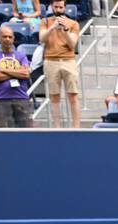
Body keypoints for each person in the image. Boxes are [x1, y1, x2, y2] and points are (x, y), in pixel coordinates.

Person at [40, 0, 80, 129]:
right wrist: (52, 27)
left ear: (65, 8)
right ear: (52, 7)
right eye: (56, 7)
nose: (58, 9)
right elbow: (42, 38)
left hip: (68, 60)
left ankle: (76, 127)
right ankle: (57, 127)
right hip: (50, 61)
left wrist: (65, 29)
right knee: (54, 96)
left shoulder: (73, 24)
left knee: (73, 95)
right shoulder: (45, 22)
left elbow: (72, 44)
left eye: (60, 7)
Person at [0, 25, 34, 128]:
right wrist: (17, 72)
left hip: (21, 98)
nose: (7, 39)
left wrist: (4, 70)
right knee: (5, 134)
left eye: (10, 37)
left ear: (13, 38)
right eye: (4, 37)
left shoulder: (21, 55)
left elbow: (26, 74)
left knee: (26, 133)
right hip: (1, 99)